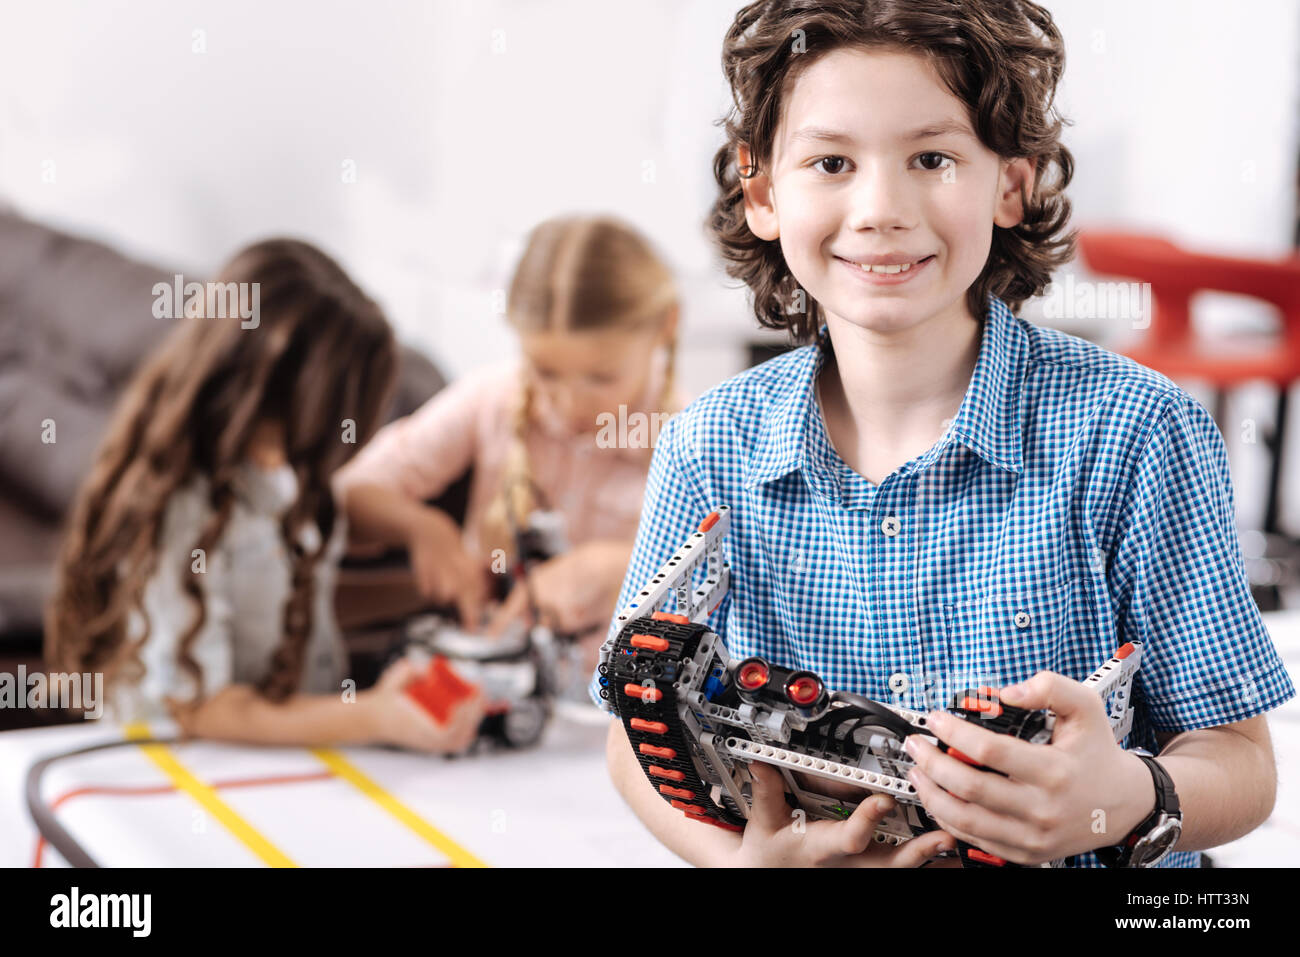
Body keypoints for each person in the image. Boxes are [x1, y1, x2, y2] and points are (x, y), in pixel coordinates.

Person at [594, 0, 1294, 868]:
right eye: (831, 161)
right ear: (764, 191)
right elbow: (630, 732)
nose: (881, 208)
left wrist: (1127, 800)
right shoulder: (709, 444)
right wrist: (736, 861)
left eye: (932, 157)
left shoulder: (1140, 433)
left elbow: (1241, 756)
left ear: (1011, 182)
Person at [47, 239, 484, 751]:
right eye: (303, 435)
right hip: (188, 769)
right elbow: (204, 709)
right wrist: (375, 717)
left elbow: (297, 579)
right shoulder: (179, 512)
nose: (314, 457)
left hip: (290, 759)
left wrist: (421, 537)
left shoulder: (278, 470)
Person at [337, 215, 685, 671]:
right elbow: (347, 492)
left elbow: (754, 582)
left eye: (600, 378)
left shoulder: (697, 434)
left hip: (626, 714)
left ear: (666, 327)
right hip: (495, 685)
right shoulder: (491, 398)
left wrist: (623, 569)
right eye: (546, 371)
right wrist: (420, 529)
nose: (567, 402)